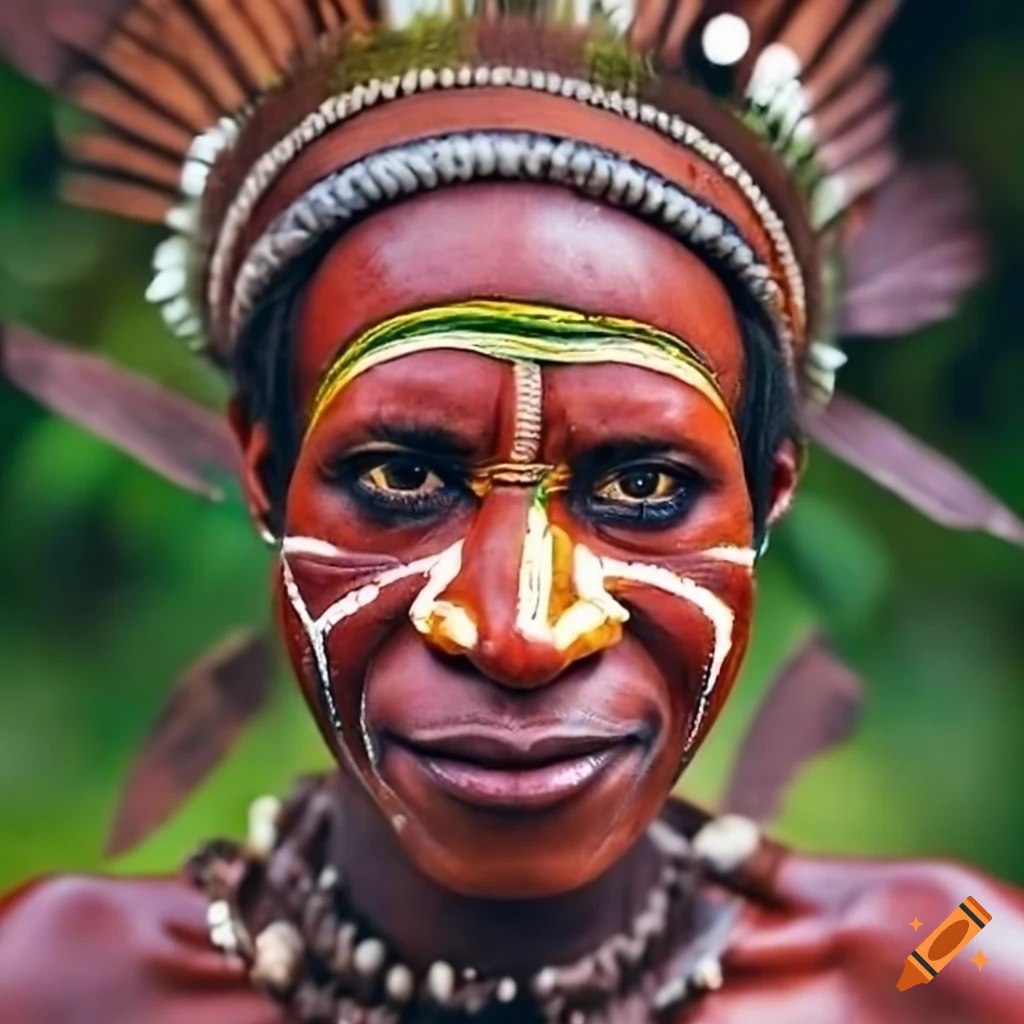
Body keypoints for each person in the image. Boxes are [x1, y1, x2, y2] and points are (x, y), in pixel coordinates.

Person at [0, 1, 1022, 1021]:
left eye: (640, 487)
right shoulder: (59, 985)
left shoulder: (937, 967)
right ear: (265, 478)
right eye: (403, 478)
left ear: (765, 501)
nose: (516, 632)